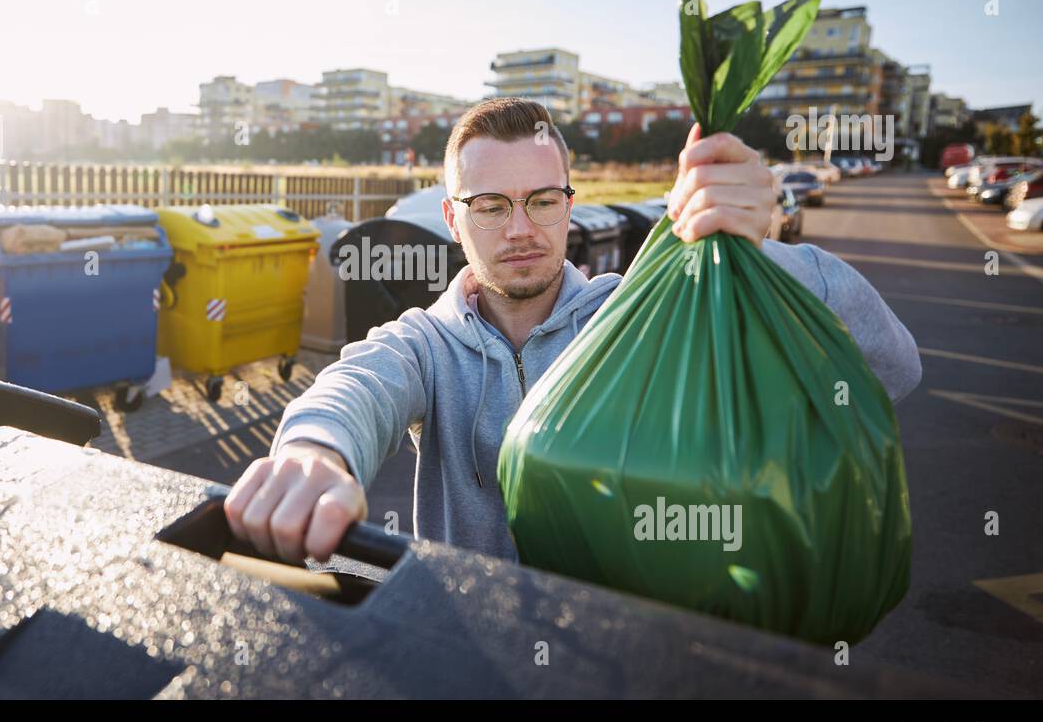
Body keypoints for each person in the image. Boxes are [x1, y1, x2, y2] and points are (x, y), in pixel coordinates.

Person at [225, 98, 922, 565]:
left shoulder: (635, 319)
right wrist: (315, 453)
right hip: (474, 654)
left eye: (542, 200)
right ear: (451, 218)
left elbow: (891, 368)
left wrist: (747, 254)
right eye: (491, 204)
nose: (522, 229)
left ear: (569, 203)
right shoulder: (425, 346)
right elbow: (359, 383)